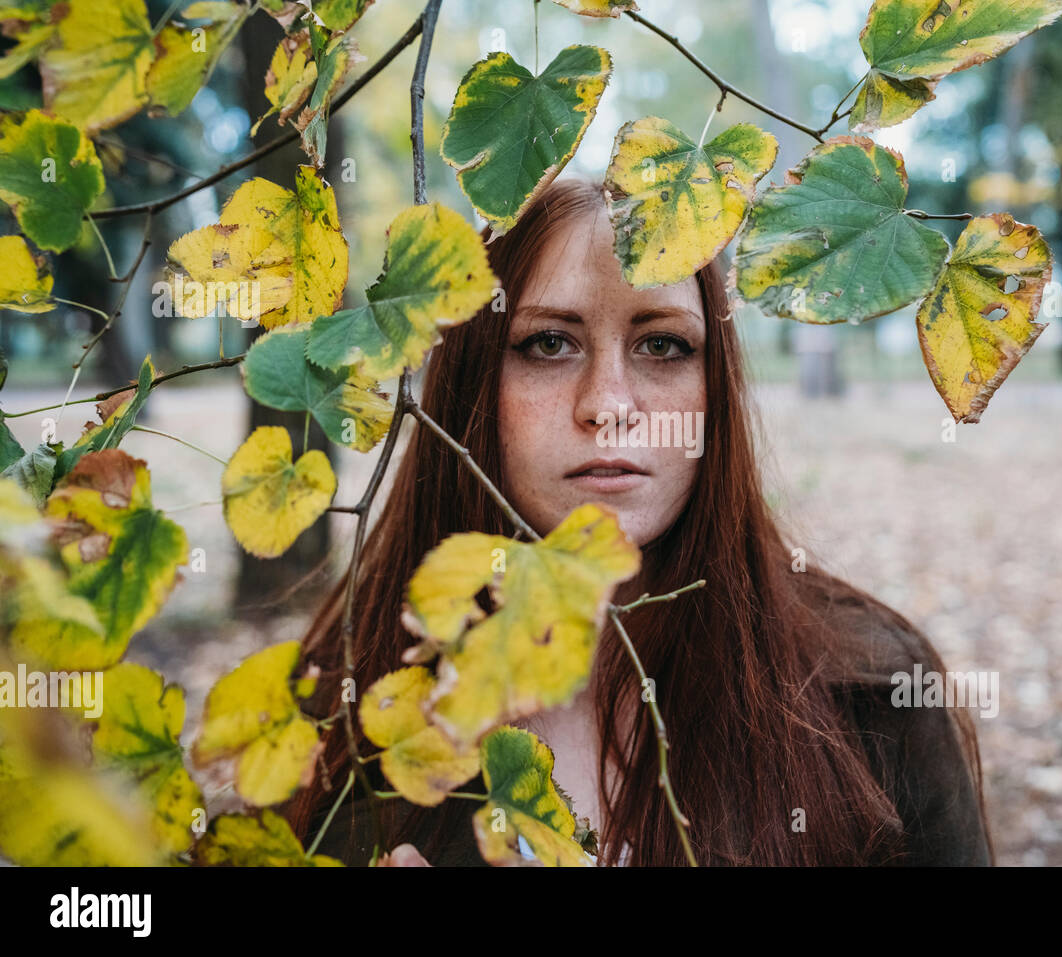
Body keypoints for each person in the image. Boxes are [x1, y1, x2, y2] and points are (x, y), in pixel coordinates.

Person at [283, 175, 994, 867]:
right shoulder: (341, 718)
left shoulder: (870, 689)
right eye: (548, 343)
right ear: (473, 384)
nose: (609, 404)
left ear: (713, 389)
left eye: (662, 345)